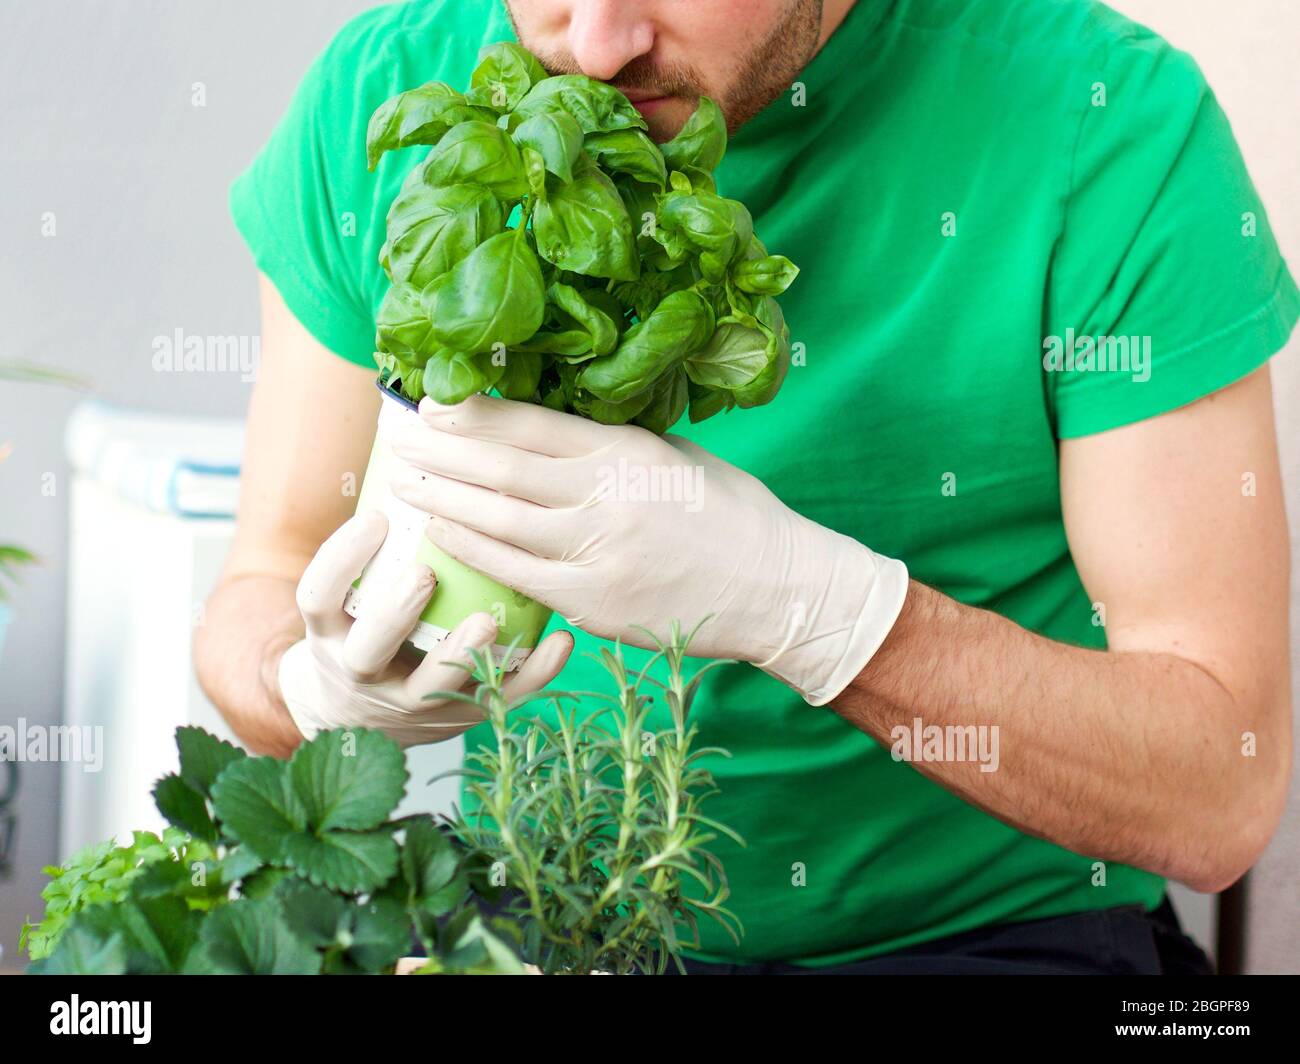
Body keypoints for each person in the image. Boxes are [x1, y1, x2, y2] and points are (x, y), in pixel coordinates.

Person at [196, 0, 1297, 973]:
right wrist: (310, 690)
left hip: (985, 939)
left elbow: (1218, 793)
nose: (595, 43)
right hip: (543, 912)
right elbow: (258, 581)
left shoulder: (1103, 124)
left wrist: (828, 616)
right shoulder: (390, 91)